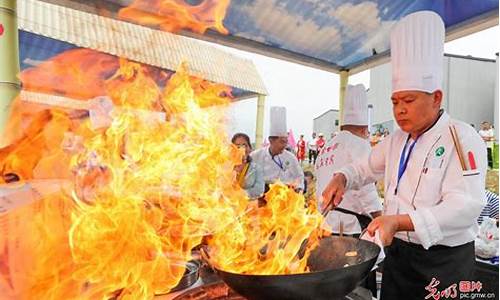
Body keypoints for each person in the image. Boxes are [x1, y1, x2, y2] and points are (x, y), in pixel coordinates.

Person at [321, 11, 487, 300]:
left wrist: (398, 221)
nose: (400, 110)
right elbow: (364, 166)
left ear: (436, 98)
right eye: (395, 101)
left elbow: (465, 206)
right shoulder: (396, 140)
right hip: (400, 259)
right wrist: (342, 176)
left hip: (443, 265)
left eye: (409, 100)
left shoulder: (461, 138)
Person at [316, 84, 382, 236]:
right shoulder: (359, 143)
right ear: (364, 129)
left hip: (326, 226)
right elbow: (367, 191)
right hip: (351, 229)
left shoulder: (326, 147)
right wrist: (380, 218)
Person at [251, 107, 304, 193]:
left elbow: (299, 177)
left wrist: (298, 189)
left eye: (286, 142)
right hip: (262, 196)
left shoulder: (290, 157)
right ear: (271, 140)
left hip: (284, 196)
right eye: (282, 142)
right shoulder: (256, 156)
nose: (285, 145)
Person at [231, 133, 265, 199]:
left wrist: (239, 194)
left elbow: (259, 190)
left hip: (249, 206)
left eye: (244, 145)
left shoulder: (257, 168)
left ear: (250, 148)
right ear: (232, 149)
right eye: (238, 146)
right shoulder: (225, 167)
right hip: (227, 206)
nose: (242, 149)